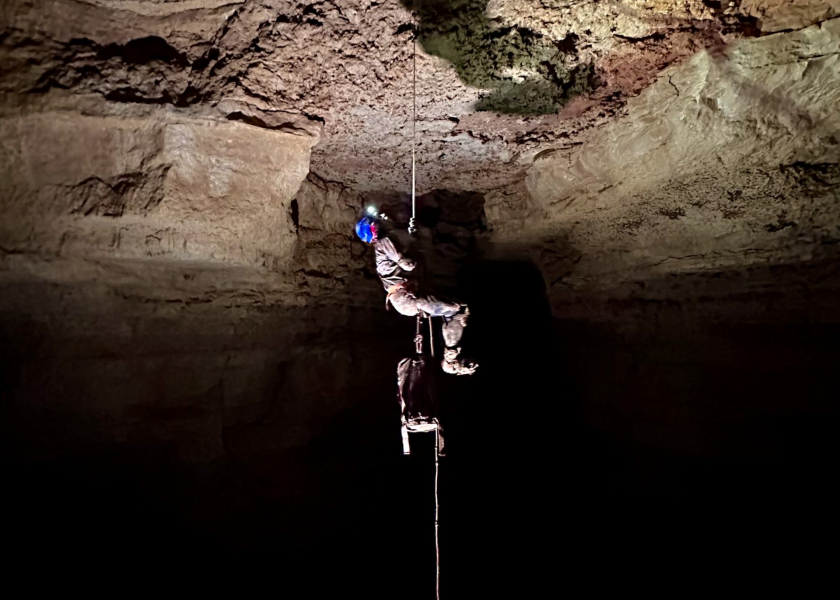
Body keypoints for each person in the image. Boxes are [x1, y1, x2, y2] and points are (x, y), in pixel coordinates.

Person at [356, 215, 477, 375]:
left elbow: (405, 245)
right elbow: (407, 265)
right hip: (407, 298)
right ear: (374, 229)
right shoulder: (384, 243)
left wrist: (411, 232)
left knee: (455, 309)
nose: (381, 221)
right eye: (377, 223)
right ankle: (450, 362)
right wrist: (411, 250)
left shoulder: (386, 243)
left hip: (406, 297)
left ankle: (450, 359)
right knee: (456, 311)